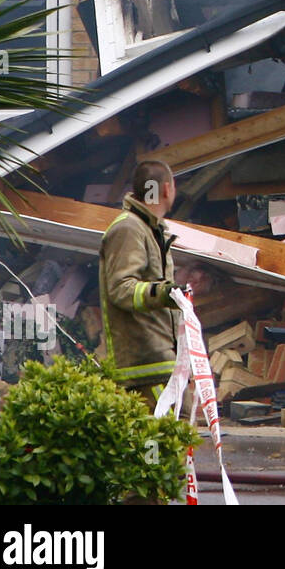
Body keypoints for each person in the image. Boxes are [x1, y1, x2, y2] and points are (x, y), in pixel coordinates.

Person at [99, 159, 182, 409]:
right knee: (154, 444)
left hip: (157, 362)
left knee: (170, 443)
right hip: (143, 368)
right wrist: (164, 293)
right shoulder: (129, 229)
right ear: (166, 189)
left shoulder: (148, 229)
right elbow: (121, 289)